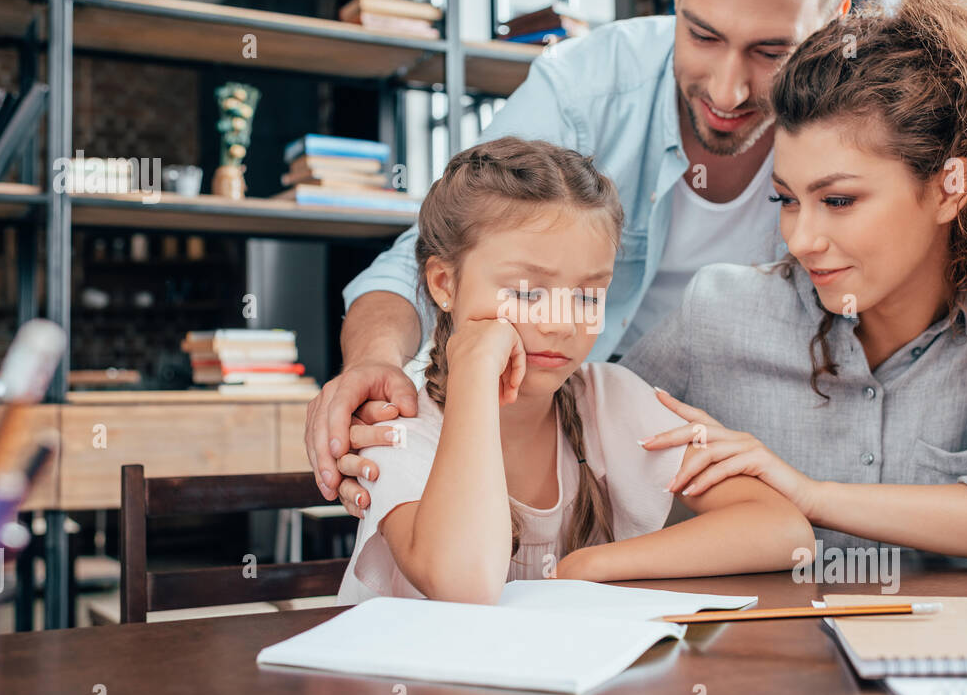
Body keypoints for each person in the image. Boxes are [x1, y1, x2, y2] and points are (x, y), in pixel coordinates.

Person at [305, 0, 864, 510]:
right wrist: (369, 360)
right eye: (703, 35)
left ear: (833, 23)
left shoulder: (853, 133)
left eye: (772, 51)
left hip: (736, 452)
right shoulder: (584, 88)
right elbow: (433, 251)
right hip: (572, 435)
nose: (728, 91)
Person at [623, 0, 967, 567]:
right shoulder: (718, 315)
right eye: (787, 200)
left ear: (951, 188)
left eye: (839, 201)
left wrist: (815, 498)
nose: (801, 240)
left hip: (954, 655)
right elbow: (577, 431)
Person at [335, 137, 814, 605]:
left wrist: (589, 566)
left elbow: (785, 531)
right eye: (526, 291)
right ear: (444, 283)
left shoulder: (612, 399)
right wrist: (477, 370)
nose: (562, 323)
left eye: (588, 294)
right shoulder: (397, 425)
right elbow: (464, 585)